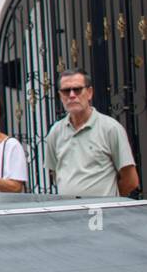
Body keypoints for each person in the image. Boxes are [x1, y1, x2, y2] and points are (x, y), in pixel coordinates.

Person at [44, 69, 140, 198]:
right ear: (60, 96)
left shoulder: (110, 128)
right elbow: (54, 173)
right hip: (68, 214)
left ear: (89, 93)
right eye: (66, 91)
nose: (72, 95)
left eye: (77, 89)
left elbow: (131, 181)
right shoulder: (55, 131)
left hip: (103, 215)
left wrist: (108, 200)